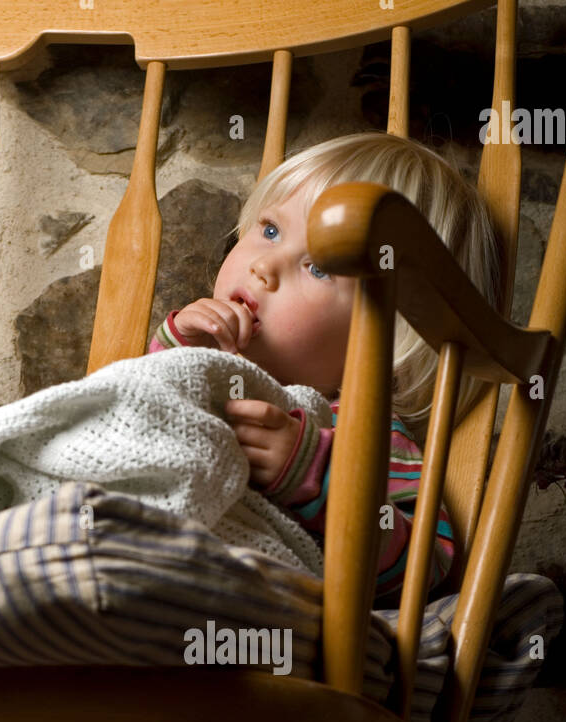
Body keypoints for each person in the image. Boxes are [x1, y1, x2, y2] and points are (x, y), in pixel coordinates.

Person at [149, 131, 502, 605]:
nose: (265, 266)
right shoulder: (199, 361)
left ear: (391, 334)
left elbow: (424, 565)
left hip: (229, 600)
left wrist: (314, 471)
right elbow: (137, 423)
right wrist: (178, 351)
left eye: (318, 268)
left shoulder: (364, 433)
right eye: (270, 230)